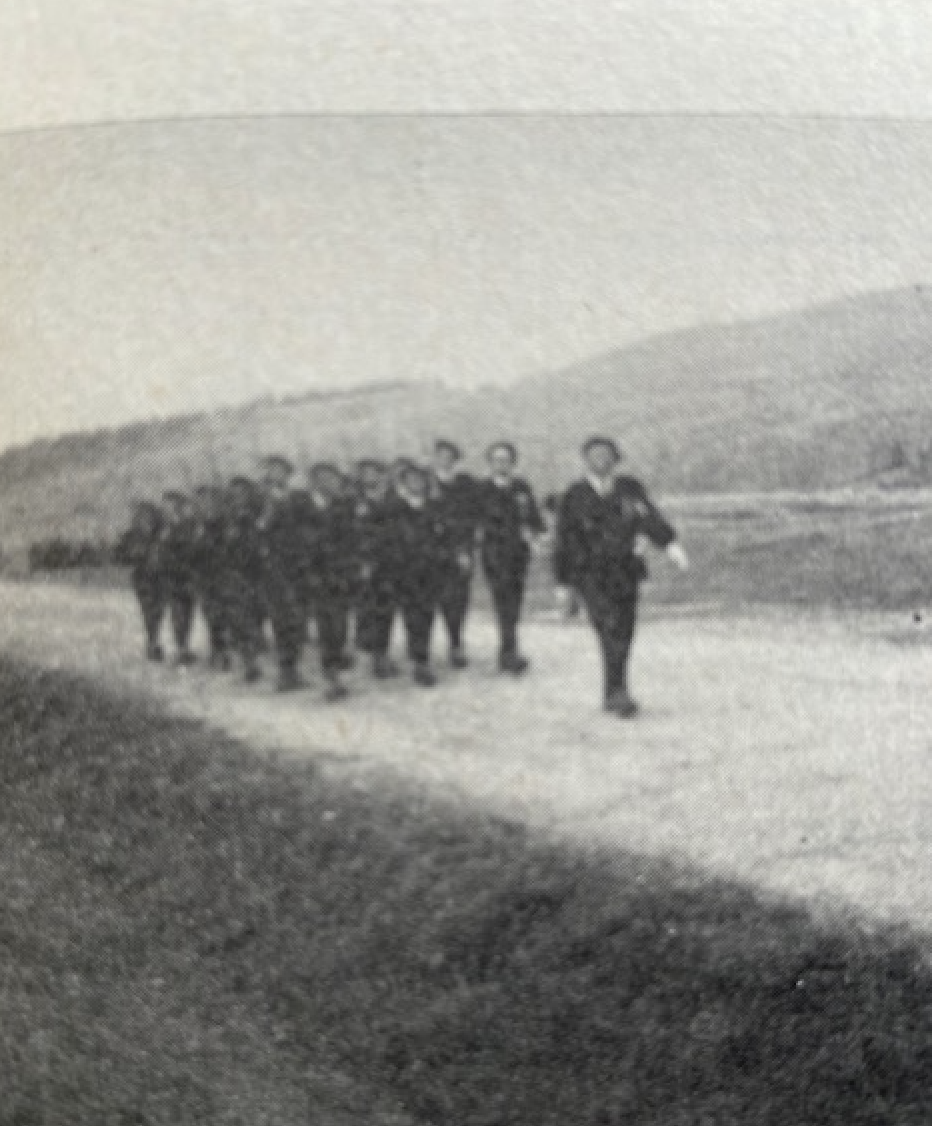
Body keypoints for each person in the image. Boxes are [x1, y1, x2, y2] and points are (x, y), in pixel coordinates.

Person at [554, 435, 689, 717]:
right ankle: (618, 692)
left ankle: (614, 689)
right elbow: (564, 541)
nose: (601, 459)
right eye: (594, 454)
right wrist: (563, 584)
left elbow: (649, 518)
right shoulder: (574, 494)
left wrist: (670, 545)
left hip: (626, 569)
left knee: (625, 630)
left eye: (607, 454)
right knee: (608, 625)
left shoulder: (630, 488)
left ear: (616, 458)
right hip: (589, 573)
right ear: (586, 460)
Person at [474, 441, 545, 673]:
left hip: (518, 552)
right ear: (490, 463)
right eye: (496, 460)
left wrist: (536, 533)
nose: (501, 464)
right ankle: (508, 651)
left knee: (514, 599)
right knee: (502, 598)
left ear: (513, 463)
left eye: (505, 460)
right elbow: (474, 519)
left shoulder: (521, 487)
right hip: (494, 551)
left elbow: (534, 517)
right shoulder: (482, 489)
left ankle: (508, 648)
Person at [391, 461, 451, 686]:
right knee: (411, 616)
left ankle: (421, 657)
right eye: (411, 479)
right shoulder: (395, 508)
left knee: (427, 615)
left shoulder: (434, 507)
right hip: (405, 572)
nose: (416, 483)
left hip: (430, 571)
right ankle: (419, 660)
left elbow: (445, 536)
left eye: (420, 479)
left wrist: (442, 556)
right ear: (404, 483)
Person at [303, 461, 357, 701]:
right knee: (326, 626)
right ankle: (331, 675)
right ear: (316, 482)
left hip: (340, 574)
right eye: (329, 479)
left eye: (336, 479)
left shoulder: (342, 507)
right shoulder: (300, 507)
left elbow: (351, 539)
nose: (335, 483)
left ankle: (335, 669)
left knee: (341, 624)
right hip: (314, 577)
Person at [257, 454, 309, 692]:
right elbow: (256, 530)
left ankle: (293, 669)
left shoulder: (295, 497)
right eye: (273, 470)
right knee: (281, 618)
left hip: (296, 565)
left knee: (298, 618)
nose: (277, 474)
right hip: (272, 566)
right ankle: (285, 671)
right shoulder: (259, 498)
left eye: (282, 470)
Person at [430, 438, 478, 668]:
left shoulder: (465, 483)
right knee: (428, 600)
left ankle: (456, 643)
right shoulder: (427, 482)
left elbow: (471, 516)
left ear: (455, 459)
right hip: (430, 550)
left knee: (457, 599)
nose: (445, 460)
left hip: (458, 549)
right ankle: (420, 651)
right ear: (435, 457)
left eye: (450, 456)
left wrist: (465, 549)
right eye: (441, 455)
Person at [353, 458, 401, 678]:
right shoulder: (354, 499)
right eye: (366, 473)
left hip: (389, 562)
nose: (370, 477)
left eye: (374, 473)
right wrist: (361, 560)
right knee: (366, 609)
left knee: (386, 609)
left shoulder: (391, 498)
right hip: (363, 562)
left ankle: (381, 653)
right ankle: (371, 655)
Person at [221, 476, 265, 683]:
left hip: (256, 573)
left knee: (255, 616)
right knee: (240, 618)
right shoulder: (225, 517)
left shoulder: (256, 514)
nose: (238, 497)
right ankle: (249, 662)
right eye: (234, 493)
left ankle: (251, 657)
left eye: (242, 493)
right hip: (232, 574)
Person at [115, 499, 167, 661]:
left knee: (158, 611)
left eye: (148, 516)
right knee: (149, 611)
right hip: (143, 578)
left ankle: (153, 641)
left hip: (161, 577)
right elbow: (120, 555)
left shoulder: (162, 533)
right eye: (142, 517)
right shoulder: (132, 535)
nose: (146, 520)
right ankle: (153, 643)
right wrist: (133, 554)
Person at [191, 484, 232, 671]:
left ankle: (224, 653)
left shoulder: (223, 522)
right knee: (210, 615)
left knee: (222, 614)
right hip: (204, 577)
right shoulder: (196, 525)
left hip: (222, 575)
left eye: (207, 500)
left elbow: (226, 548)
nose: (204, 504)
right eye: (200, 501)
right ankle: (217, 650)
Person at [160, 489, 199, 665]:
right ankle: (182, 648)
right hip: (171, 576)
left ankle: (184, 647)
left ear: (180, 506)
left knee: (188, 612)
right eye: (166, 504)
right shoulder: (164, 526)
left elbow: (191, 548)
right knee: (177, 613)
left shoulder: (188, 524)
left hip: (186, 574)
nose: (168, 508)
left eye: (172, 504)